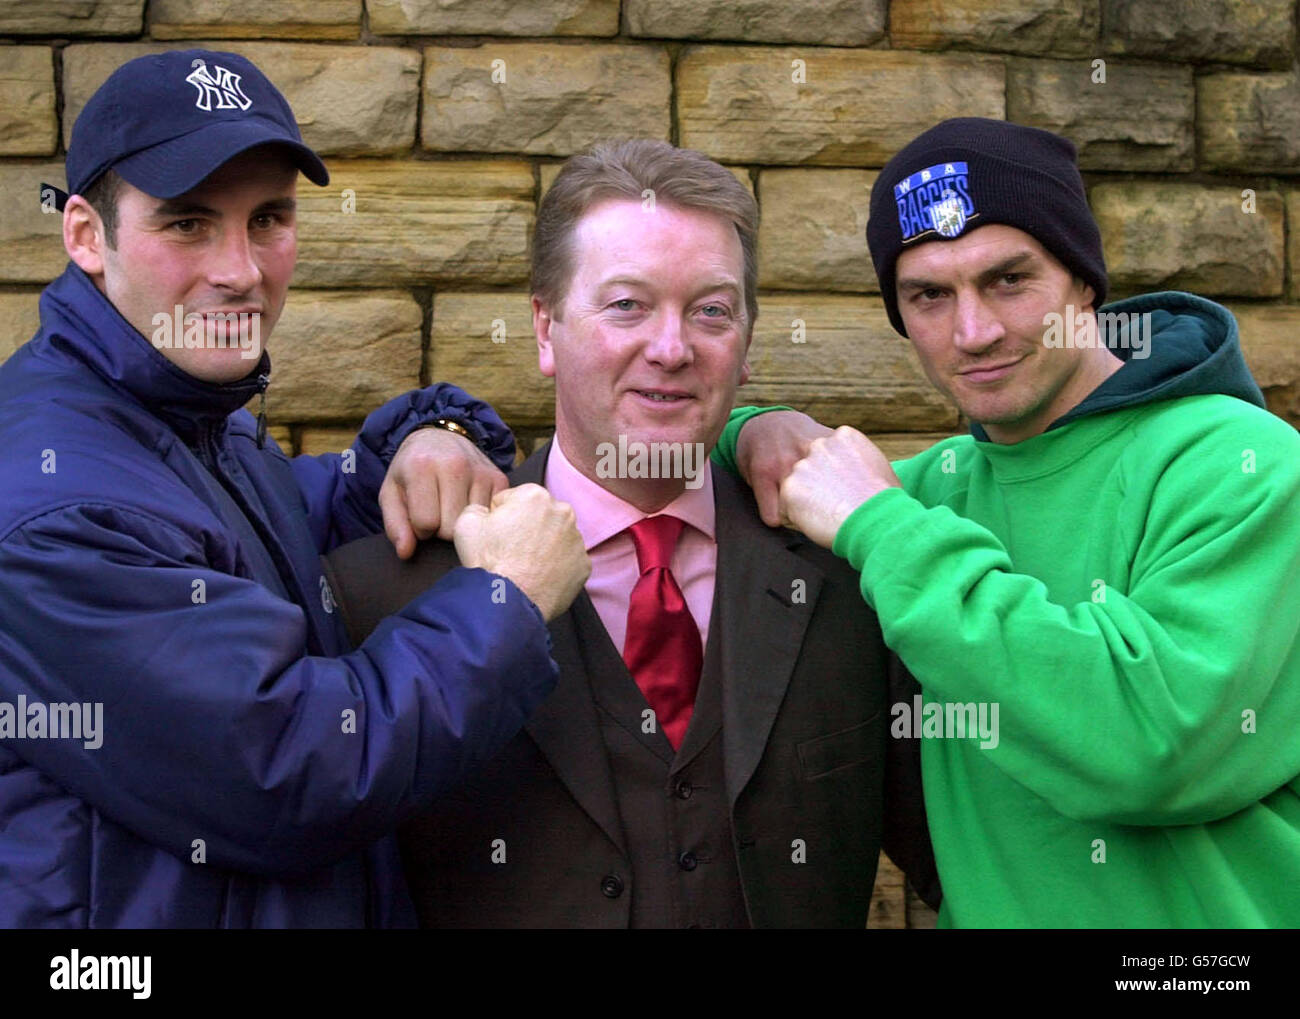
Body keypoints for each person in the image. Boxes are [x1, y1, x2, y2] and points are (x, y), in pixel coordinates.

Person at [0, 48, 590, 928]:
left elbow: (267, 519)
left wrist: (425, 438)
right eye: (189, 224)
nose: (240, 269)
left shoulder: (182, 408)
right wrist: (502, 604)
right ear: (87, 234)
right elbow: (291, 768)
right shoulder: (57, 508)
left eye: (268, 217)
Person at [325, 138, 939, 928]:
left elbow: (972, 853)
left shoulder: (848, 574)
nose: (673, 347)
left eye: (711, 309)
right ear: (544, 330)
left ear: (748, 339)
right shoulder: (389, 591)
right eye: (627, 305)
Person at [715, 117, 1300, 927]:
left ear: (1083, 282)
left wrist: (882, 528)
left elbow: (1147, 742)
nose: (974, 332)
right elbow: (649, 464)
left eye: (1008, 279)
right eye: (929, 295)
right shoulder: (928, 495)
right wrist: (754, 428)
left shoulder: (1243, 465)